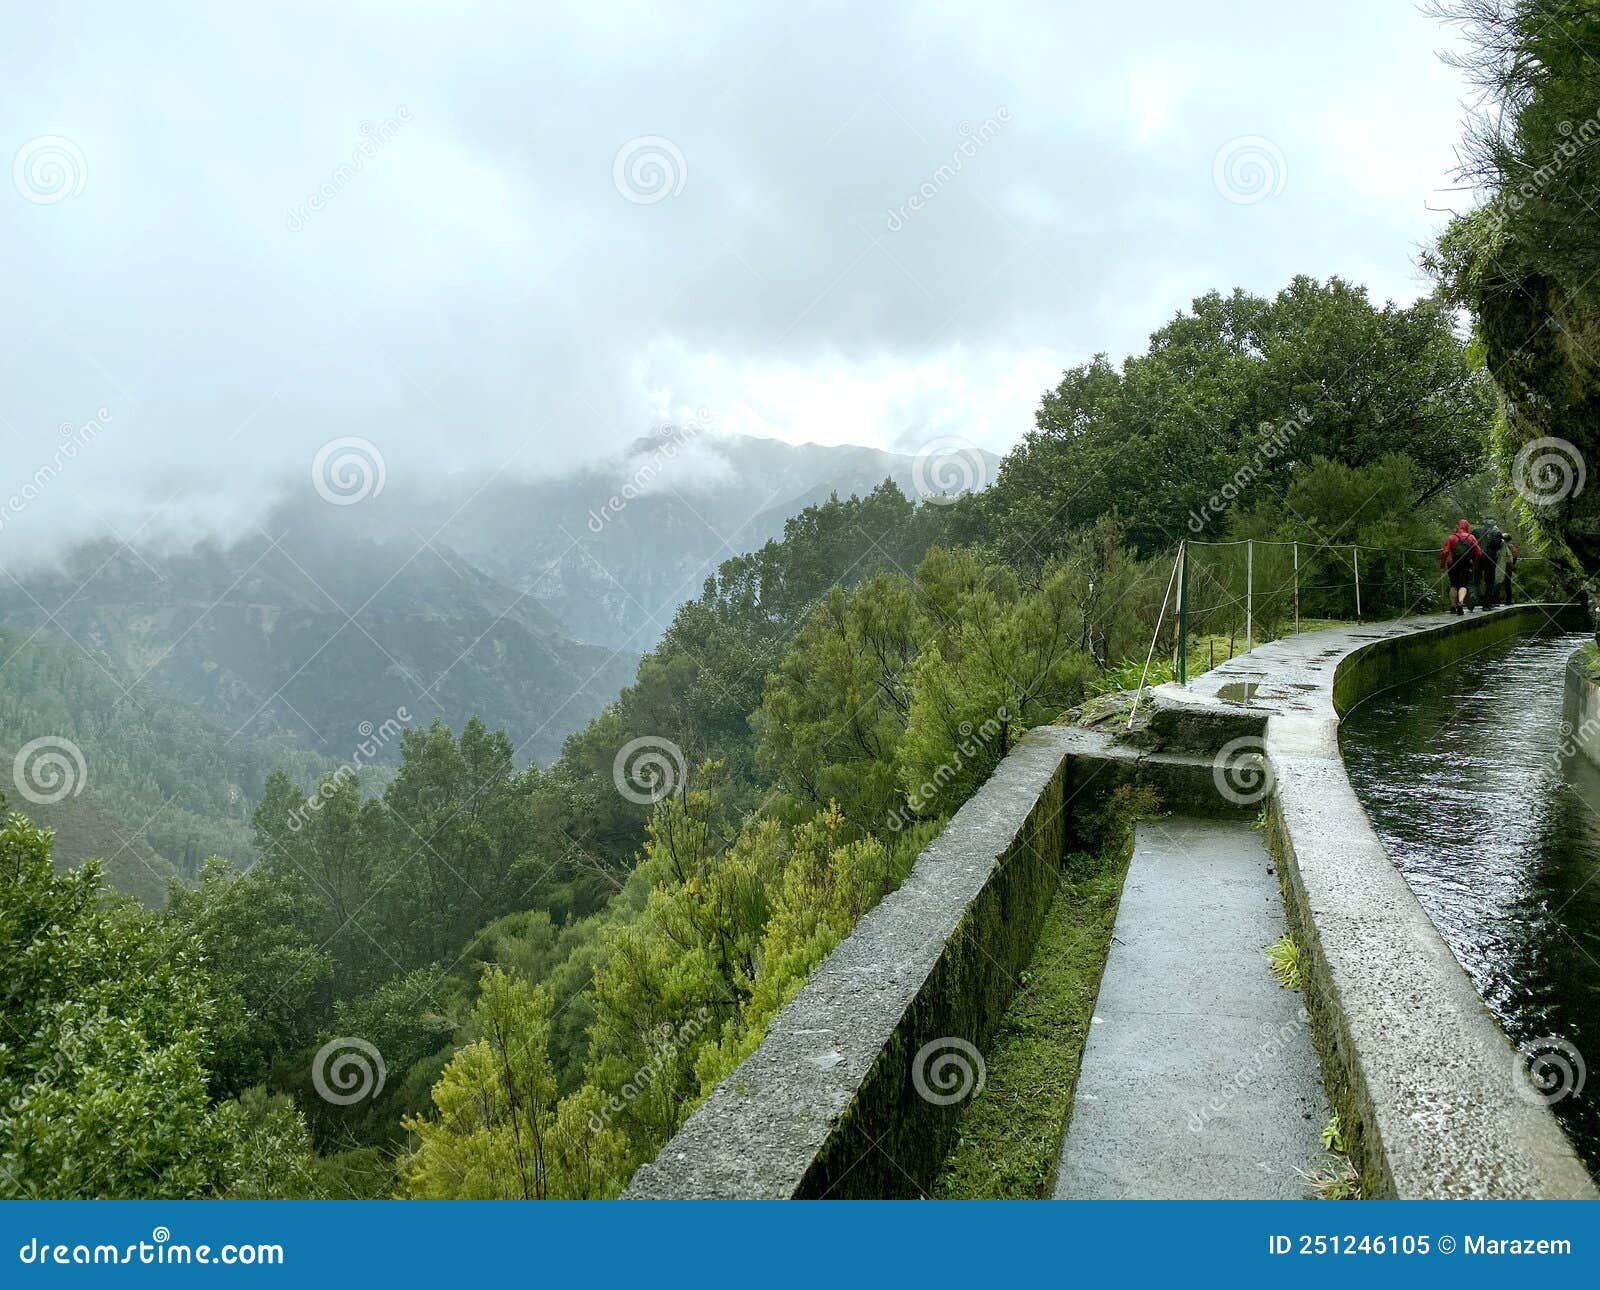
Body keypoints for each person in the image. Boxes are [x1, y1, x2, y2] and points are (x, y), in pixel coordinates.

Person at [1439, 519, 1481, 616]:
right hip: (1466, 564)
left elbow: (1445, 552)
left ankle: (1453, 606)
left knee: (1454, 585)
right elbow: (1478, 552)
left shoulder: (1452, 537)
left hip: (1453, 564)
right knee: (1464, 585)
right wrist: (1474, 562)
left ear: (1458, 526)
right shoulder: (1471, 537)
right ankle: (1461, 603)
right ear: (1467, 527)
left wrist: (1442, 564)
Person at [1477, 521, 1506, 608]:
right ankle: (1487, 603)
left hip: (1478, 557)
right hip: (1490, 558)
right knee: (1489, 580)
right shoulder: (1497, 533)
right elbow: (1496, 545)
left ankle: (1476, 599)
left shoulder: (1476, 531)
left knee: (1477, 579)